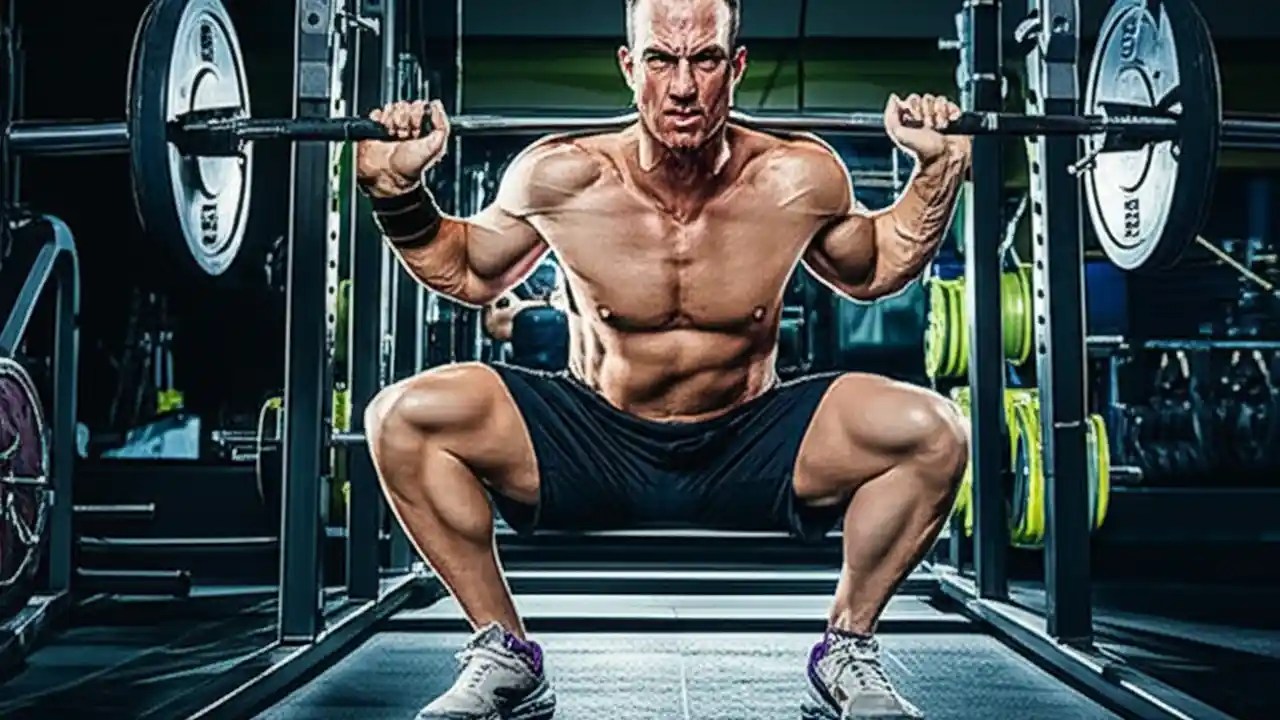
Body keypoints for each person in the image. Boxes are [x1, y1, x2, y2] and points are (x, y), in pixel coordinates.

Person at [355, 0, 971, 717]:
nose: (682, 85)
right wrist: (396, 193)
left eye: (704, 60)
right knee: (402, 417)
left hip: (748, 439)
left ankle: (848, 646)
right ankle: (505, 650)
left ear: (735, 68)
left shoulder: (797, 177)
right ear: (629, 66)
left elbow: (874, 269)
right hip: (594, 437)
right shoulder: (561, 176)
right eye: (660, 59)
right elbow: (467, 270)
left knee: (935, 431)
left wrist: (936, 172)